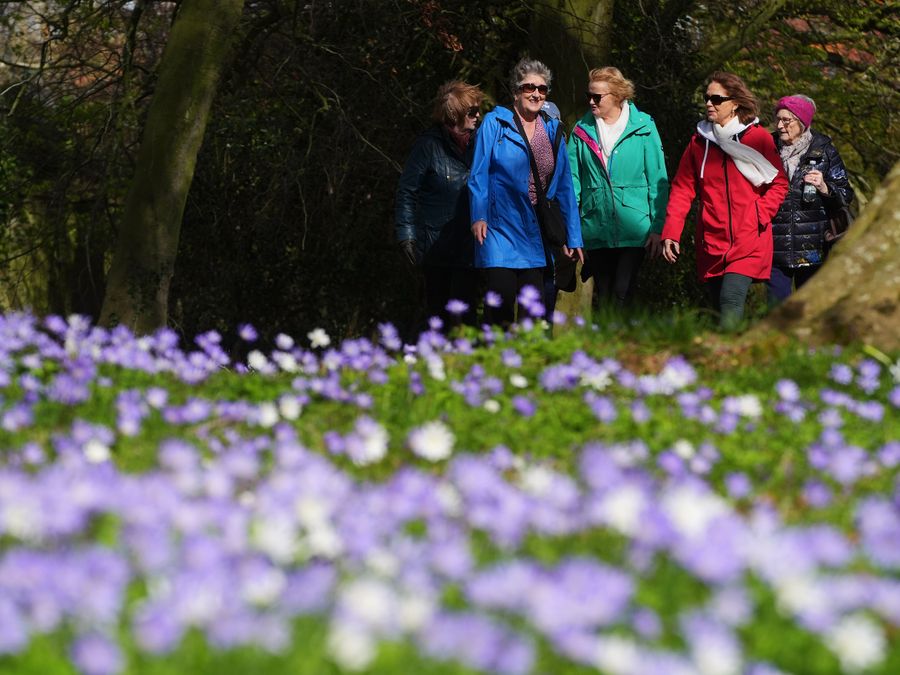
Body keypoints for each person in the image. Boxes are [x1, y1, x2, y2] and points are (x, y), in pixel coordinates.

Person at [661, 72, 789, 331]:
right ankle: (729, 351)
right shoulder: (698, 142)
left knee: (731, 299)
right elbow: (682, 189)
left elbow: (779, 183)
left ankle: (730, 350)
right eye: (706, 98)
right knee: (717, 309)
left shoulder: (758, 138)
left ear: (735, 103)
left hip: (749, 238)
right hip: (712, 240)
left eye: (717, 99)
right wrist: (671, 232)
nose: (709, 103)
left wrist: (759, 213)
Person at [468, 57, 583, 326]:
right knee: (500, 306)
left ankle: (528, 355)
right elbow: (478, 173)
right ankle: (496, 354)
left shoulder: (553, 129)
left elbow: (565, 187)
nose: (536, 94)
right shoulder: (495, 123)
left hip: (536, 232)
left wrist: (574, 237)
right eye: (529, 87)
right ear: (515, 91)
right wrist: (478, 215)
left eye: (542, 89)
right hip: (500, 227)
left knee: (534, 314)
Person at [568, 67, 669, 310]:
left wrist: (658, 228)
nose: (591, 102)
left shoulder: (644, 127)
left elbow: (658, 180)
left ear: (617, 96)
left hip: (635, 229)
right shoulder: (580, 131)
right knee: (604, 296)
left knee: (622, 292)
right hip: (595, 227)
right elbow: (571, 184)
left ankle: (623, 334)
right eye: (589, 95)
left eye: (597, 97)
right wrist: (572, 232)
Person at [395, 80, 485, 327]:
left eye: (478, 110)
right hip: (436, 245)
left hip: (470, 244)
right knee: (439, 315)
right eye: (472, 111)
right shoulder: (428, 145)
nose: (478, 116)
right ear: (455, 114)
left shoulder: (481, 143)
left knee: (467, 314)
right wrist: (406, 234)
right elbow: (407, 191)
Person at [768, 94, 854, 304]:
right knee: (776, 311)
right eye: (777, 119)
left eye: (786, 120)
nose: (779, 126)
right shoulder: (766, 147)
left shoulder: (825, 150)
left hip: (813, 248)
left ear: (802, 121)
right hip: (773, 247)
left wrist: (824, 187)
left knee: (808, 309)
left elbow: (846, 194)